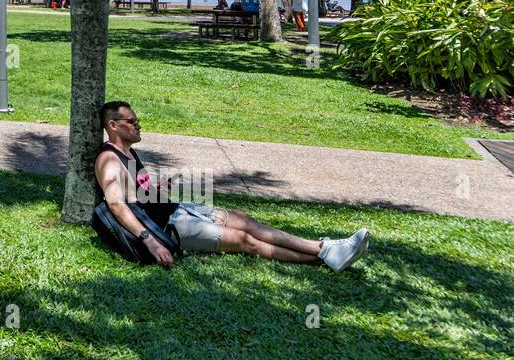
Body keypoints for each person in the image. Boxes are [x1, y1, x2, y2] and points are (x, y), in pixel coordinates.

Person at [94, 101, 370, 270]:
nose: (138, 125)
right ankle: (325, 257)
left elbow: (137, 195)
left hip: (177, 210)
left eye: (137, 120)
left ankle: (324, 247)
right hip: (170, 228)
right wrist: (151, 243)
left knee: (243, 220)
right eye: (131, 122)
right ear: (114, 125)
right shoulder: (109, 159)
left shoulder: (128, 153)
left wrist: (157, 189)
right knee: (243, 241)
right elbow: (117, 204)